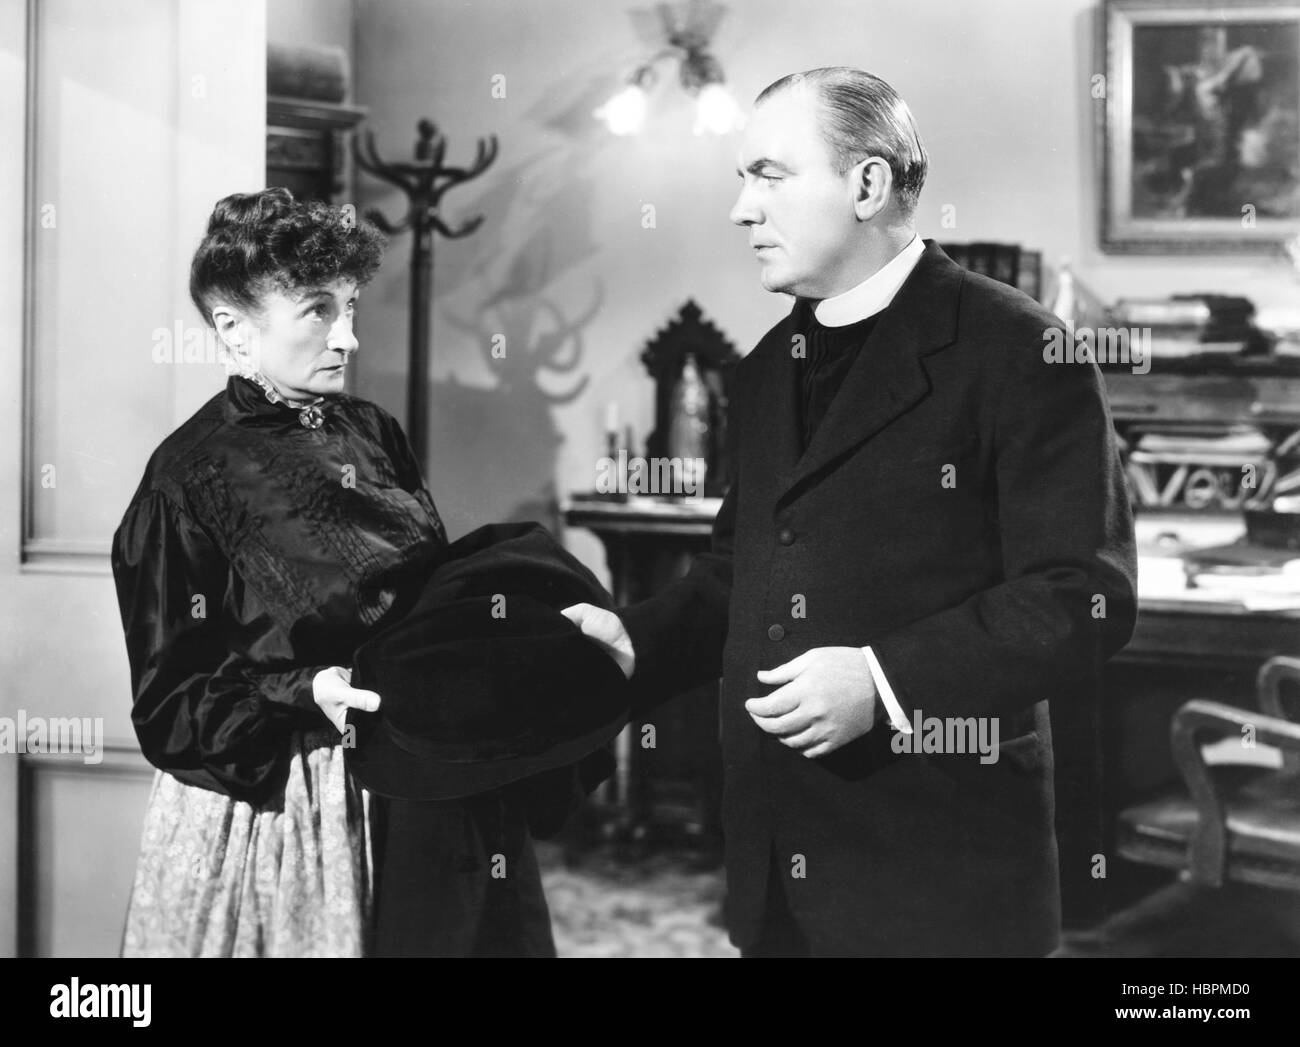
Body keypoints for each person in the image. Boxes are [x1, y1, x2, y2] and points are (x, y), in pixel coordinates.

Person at [563, 68, 1138, 957]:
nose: (740, 210)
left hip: (942, 873)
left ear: (867, 185)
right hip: (775, 865)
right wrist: (637, 639)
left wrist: (884, 681)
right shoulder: (765, 365)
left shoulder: (1023, 352)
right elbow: (738, 572)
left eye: (768, 175)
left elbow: (1081, 593)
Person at [111, 188, 555, 957]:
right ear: (232, 327)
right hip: (285, 813)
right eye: (318, 310)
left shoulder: (372, 430)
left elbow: (422, 594)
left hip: (416, 777)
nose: (346, 336)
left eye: (351, 307)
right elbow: (169, 704)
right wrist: (304, 690)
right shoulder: (186, 476)